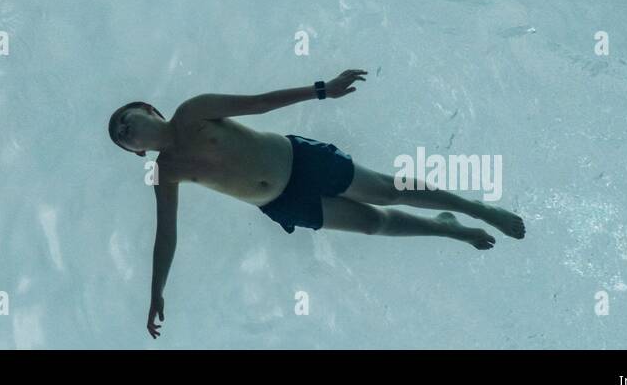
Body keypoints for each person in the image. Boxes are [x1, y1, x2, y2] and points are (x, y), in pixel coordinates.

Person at [108, 70, 527, 338]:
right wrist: (156, 291)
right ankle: (448, 227)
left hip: (300, 160)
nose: (128, 131)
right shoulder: (166, 172)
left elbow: (259, 103)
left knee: (387, 190)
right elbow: (166, 233)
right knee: (372, 225)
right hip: (282, 201)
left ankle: (480, 209)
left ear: (148, 108)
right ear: (135, 153)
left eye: (127, 120)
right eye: (123, 137)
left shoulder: (193, 111)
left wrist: (324, 90)